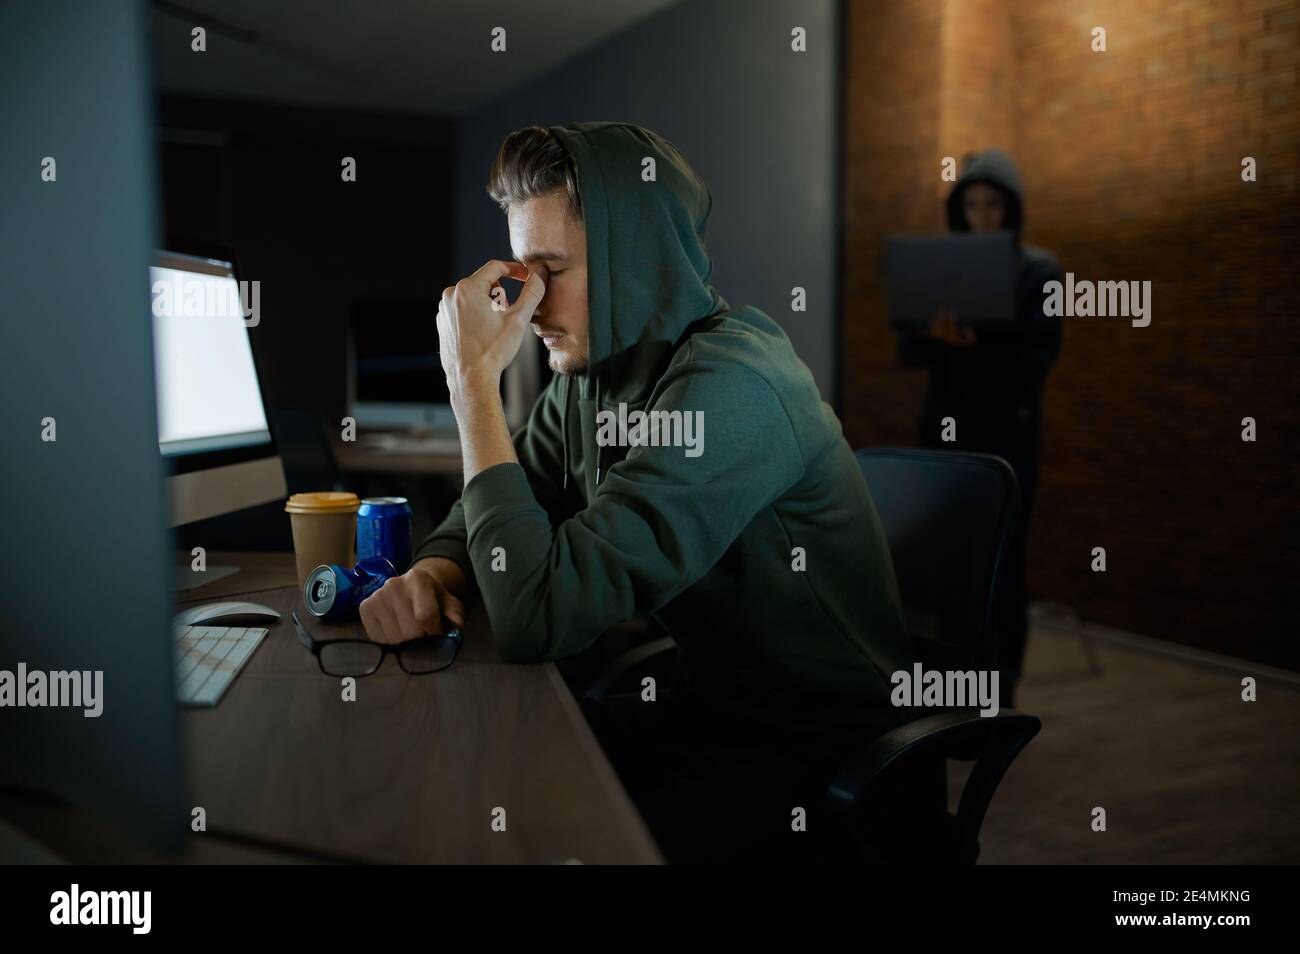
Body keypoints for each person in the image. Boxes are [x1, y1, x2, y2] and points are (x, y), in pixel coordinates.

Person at [359, 122, 914, 862]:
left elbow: (536, 613)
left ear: (640, 262)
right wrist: (437, 567)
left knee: (536, 830)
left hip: (822, 756)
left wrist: (472, 385)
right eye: (521, 272)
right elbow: (506, 496)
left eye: (552, 269)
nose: (528, 306)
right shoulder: (595, 375)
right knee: (482, 763)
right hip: (706, 709)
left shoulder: (735, 387)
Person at [896, 149, 1063, 706]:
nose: (982, 216)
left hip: (1007, 435)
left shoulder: (1039, 270)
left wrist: (980, 342)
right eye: (971, 204)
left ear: (1011, 209)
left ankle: (1001, 686)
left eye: (993, 205)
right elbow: (908, 351)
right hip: (944, 428)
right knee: (944, 559)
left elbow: (1040, 358)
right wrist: (937, 337)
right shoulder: (942, 266)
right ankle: (949, 683)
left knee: (1003, 561)